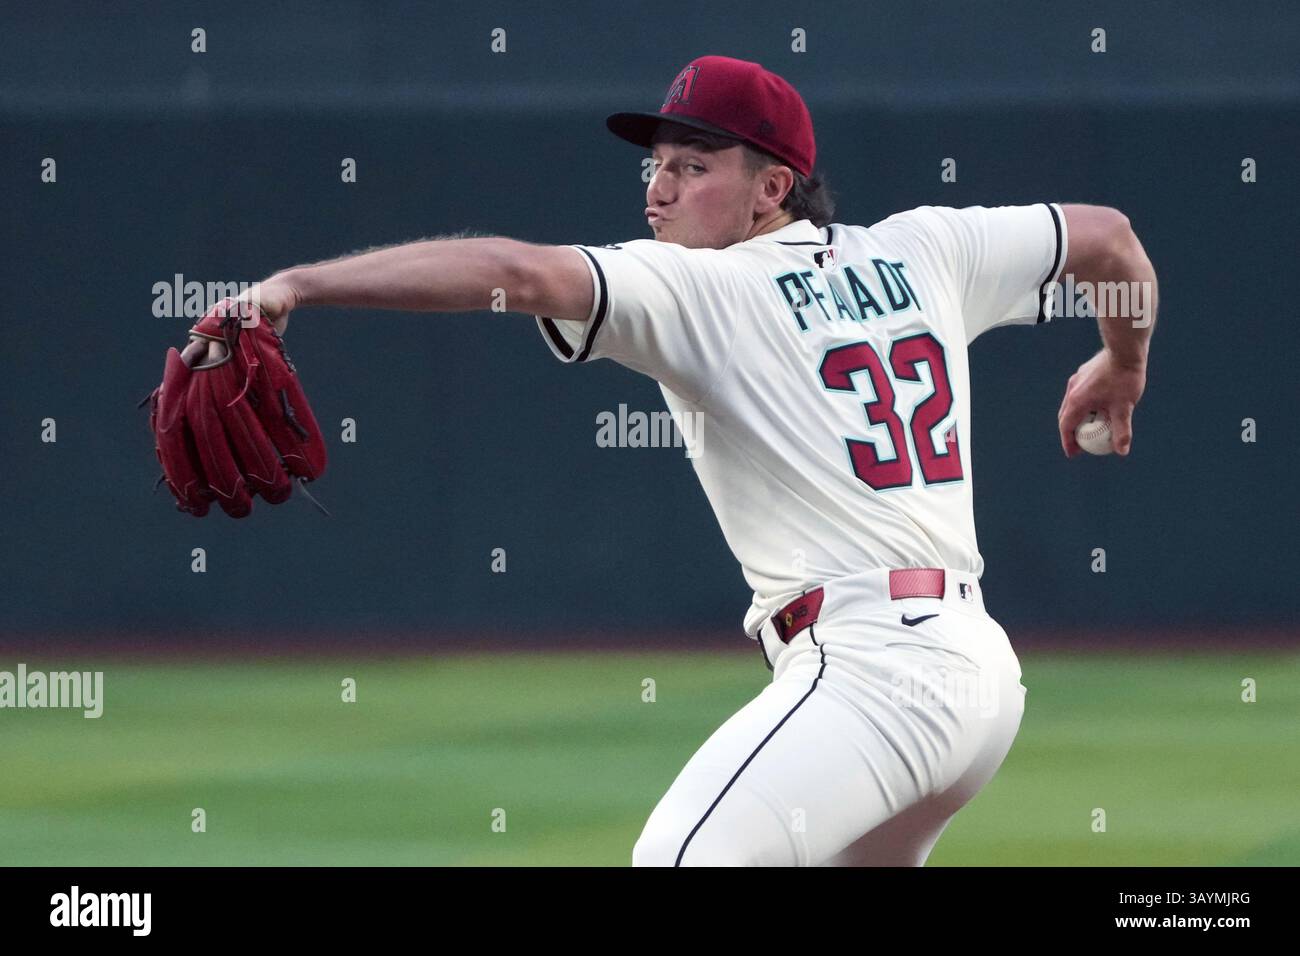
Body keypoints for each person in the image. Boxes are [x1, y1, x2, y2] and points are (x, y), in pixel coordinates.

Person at [238, 54, 1157, 866]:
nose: (657, 190)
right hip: (978, 675)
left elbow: (513, 274)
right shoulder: (925, 248)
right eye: (655, 164)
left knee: (680, 857)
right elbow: (1111, 238)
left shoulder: (701, 284)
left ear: (773, 188)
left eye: (692, 165)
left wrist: (301, 285)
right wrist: (1123, 364)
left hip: (875, 670)